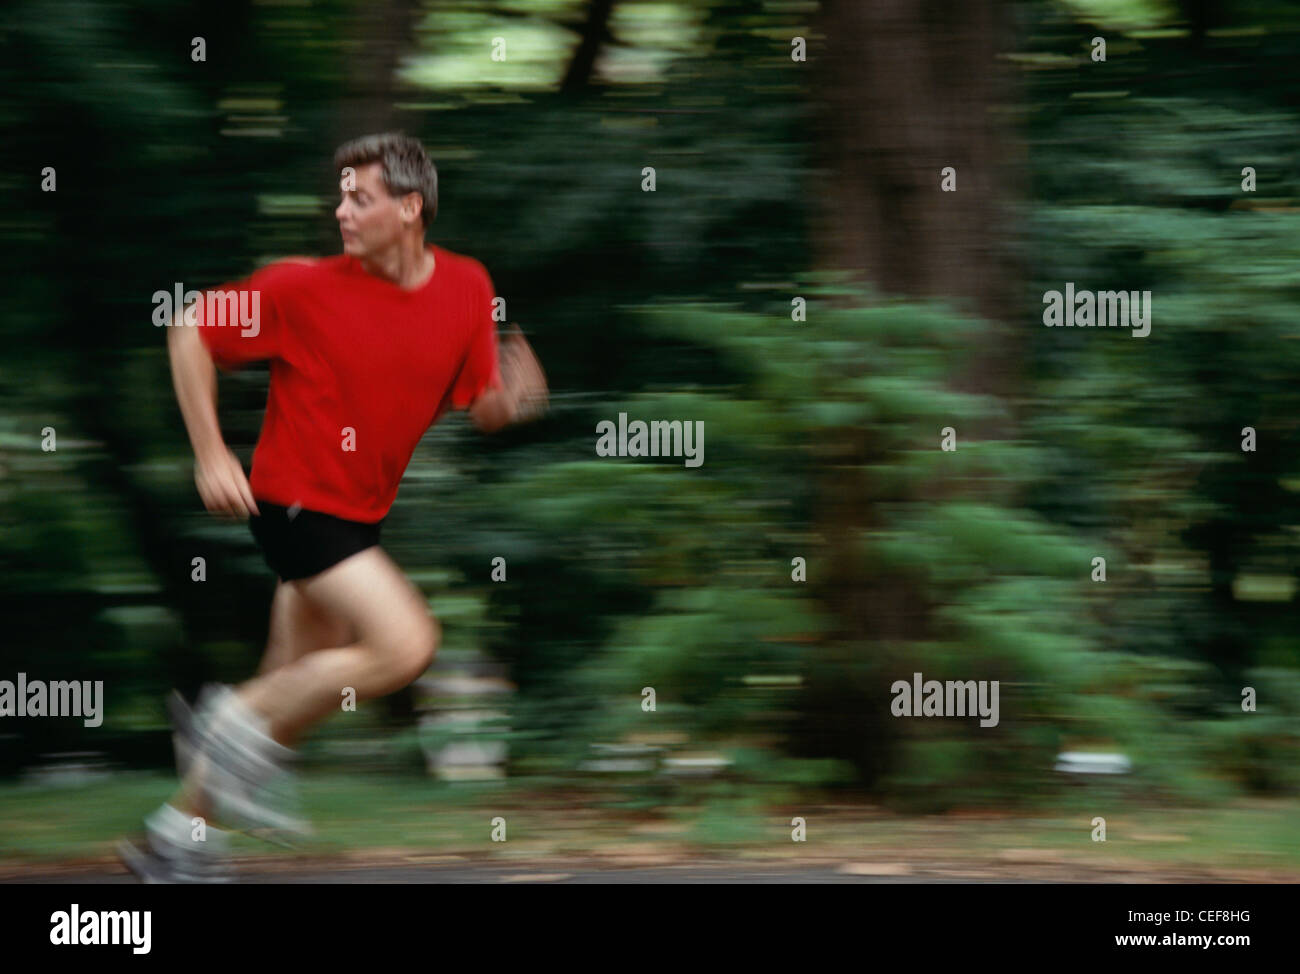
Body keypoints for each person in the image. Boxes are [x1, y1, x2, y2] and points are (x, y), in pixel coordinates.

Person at [118, 132, 548, 882]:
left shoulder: (468, 288)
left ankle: (177, 840)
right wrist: (211, 452)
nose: (341, 209)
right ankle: (227, 719)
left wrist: (515, 402)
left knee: (301, 681)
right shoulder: (302, 288)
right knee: (406, 645)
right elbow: (190, 330)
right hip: (295, 503)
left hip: (358, 511)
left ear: (410, 209)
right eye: (341, 194)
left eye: (361, 196)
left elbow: (477, 403)